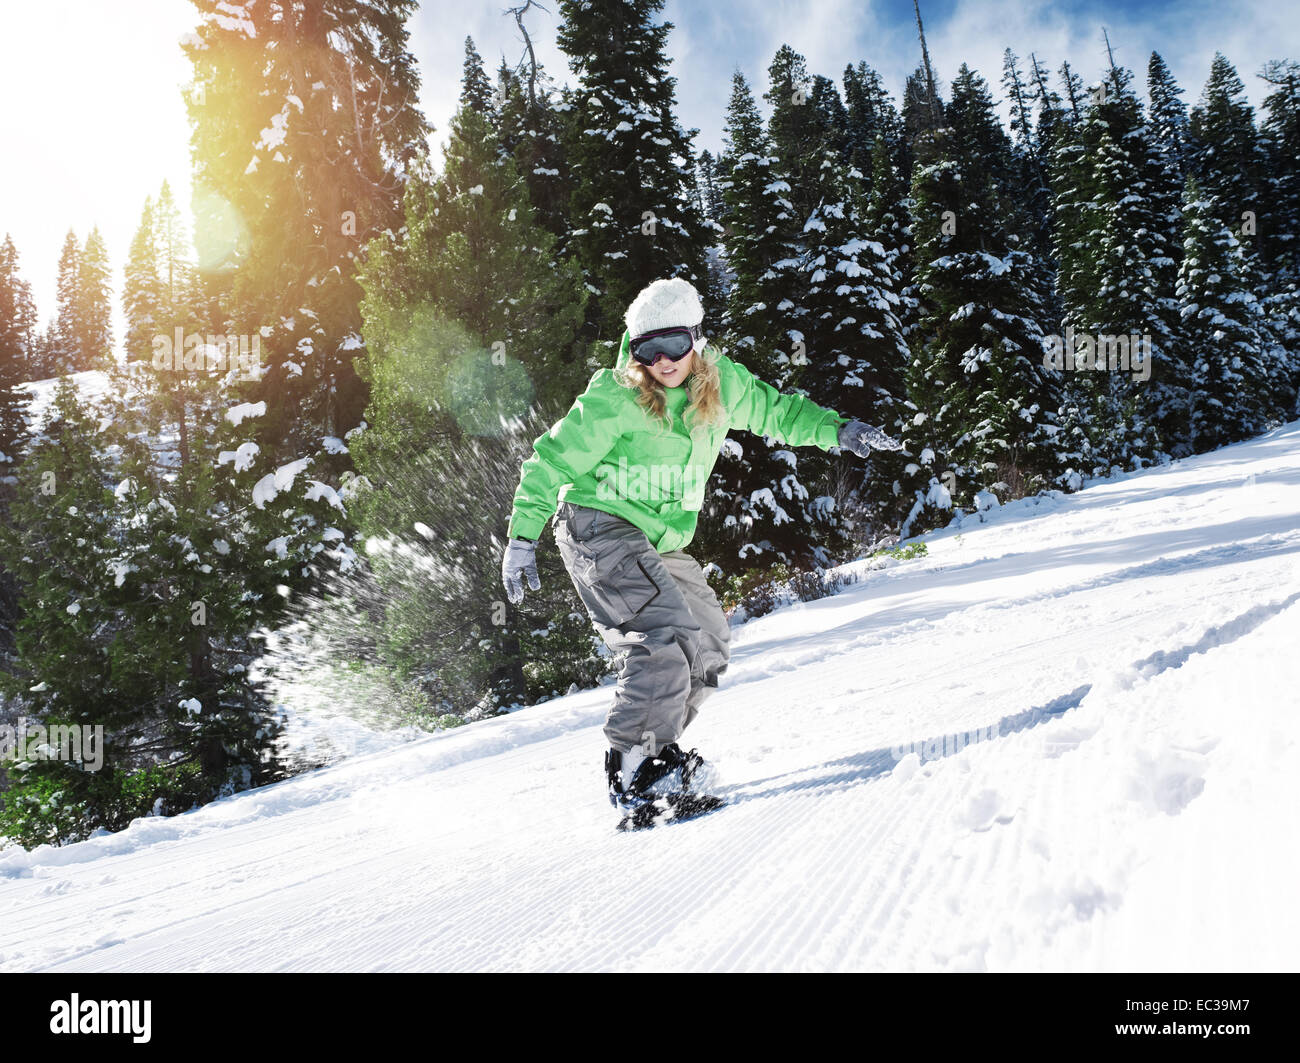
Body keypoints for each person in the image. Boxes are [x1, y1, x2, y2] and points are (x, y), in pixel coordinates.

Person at [500, 277, 900, 812]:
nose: (663, 362)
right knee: (660, 638)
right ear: (634, 349)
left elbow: (778, 412)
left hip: (657, 536)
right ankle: (634, 769)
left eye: (675, 345)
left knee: (708, 642)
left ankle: (657, 753)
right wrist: (522, 538)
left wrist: (838, 430)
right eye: (648, 349)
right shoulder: (615, 396)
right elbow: (551, 461)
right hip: (599, 523)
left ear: (697, 339)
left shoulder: (724, 384)